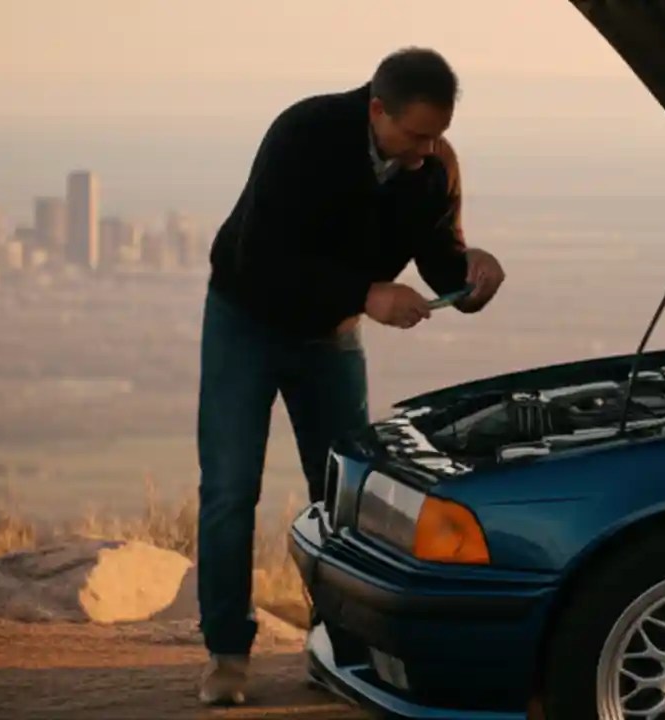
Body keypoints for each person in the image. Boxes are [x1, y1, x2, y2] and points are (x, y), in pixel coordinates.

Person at [194, 47, 505, 705]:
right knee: (229, 490)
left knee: (342, 495)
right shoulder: (303, 134)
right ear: (376, 109)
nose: (425, 149)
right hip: (245, 320)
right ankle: (226, 653)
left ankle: (335, 645)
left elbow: (442, 262)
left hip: (330, 336)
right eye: (415, 134)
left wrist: (473, 280)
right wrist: (366, 293)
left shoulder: (433, 167)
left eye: (437, 134)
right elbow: (264, 255)